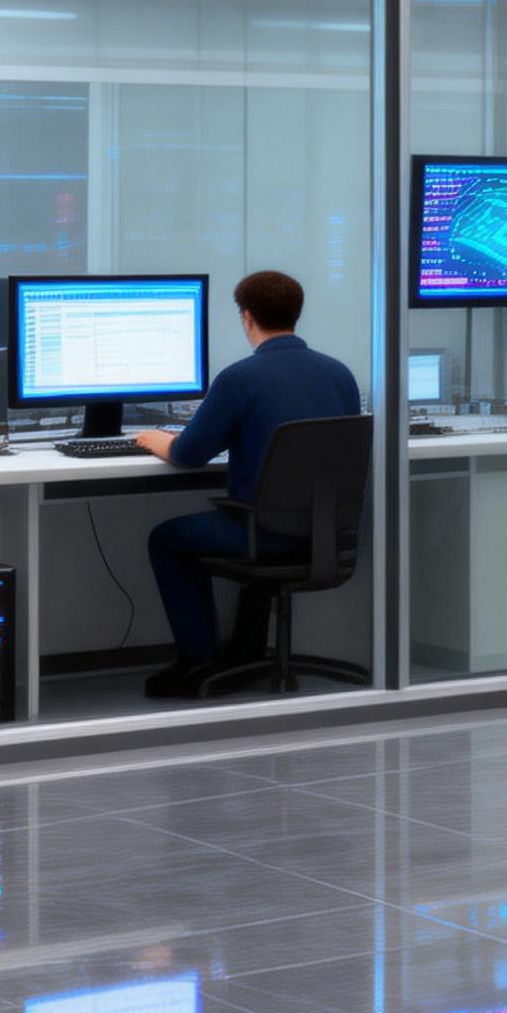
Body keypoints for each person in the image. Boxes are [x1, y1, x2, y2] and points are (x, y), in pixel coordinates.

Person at [137, 268, 362, 696]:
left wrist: (157, 440)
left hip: (267, 536)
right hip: (328, 535)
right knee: (263, 518)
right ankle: (245, 652)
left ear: (246, 317)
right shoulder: (340, 374)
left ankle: (198, 663)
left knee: (166, 539)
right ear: (296, 313)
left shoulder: (240, 378)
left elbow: (188, 454)